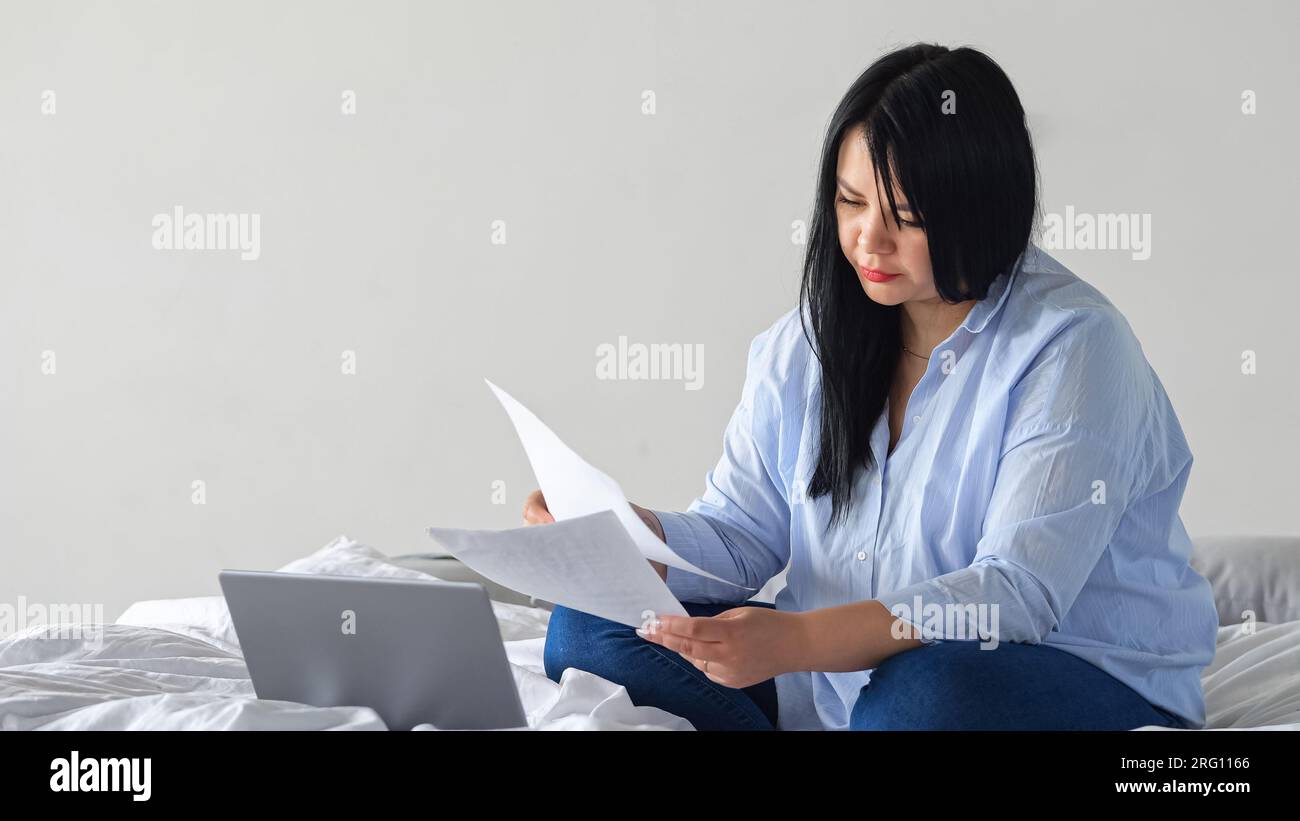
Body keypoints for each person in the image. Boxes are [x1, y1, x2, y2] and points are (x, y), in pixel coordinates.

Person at [525, 42, 1219, 731]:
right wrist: (624, 536)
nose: (867, 240)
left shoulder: (1074, 346)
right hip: (847, 676)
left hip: (1059, 669)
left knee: (919, 697)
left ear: (981, 209)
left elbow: (1014, 593)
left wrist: (795, 641)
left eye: (906, 217)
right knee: (591, 630)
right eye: (850, 202)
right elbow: (742, 536)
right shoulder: (810, 340)